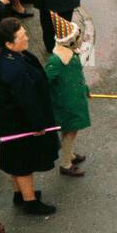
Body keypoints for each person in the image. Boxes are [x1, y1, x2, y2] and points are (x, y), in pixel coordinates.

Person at [0, 16, 59, 215]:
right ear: (9, 43)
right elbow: (27, 100)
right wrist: (38, 125)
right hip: (21, 124)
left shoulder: (8, 56)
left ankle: (19, 193)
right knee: (23, 162)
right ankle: (29, 201)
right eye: (22, 36)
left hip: (12, 121)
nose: (27, 37)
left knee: (14, 159)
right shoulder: (15, 70)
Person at [43, 13, 90, 180]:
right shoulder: (56, 61)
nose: (80, 39)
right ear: (70, 41)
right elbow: (45, 80)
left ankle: (69, 154)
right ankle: (66, 164)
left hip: (74, 99)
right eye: (78, 37)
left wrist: (84, 89)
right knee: (69, 131)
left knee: (72, 131)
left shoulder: (72, 54)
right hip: (65, 103)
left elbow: (78, 76)